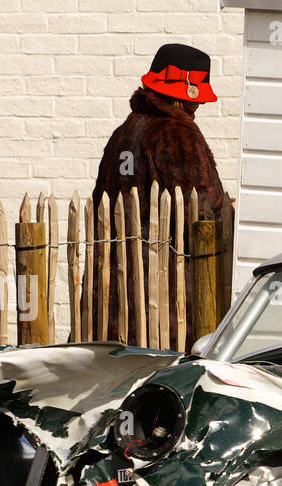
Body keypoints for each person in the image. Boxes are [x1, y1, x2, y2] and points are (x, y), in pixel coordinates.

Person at [93, 43, 228, 347]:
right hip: (163, 293)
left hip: (114, 286)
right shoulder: (177, 133)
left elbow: (100, 202)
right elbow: (202, 209)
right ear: (184, 95)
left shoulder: (122, 133)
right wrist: (227, 210)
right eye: (196, 99)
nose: (200, 106)